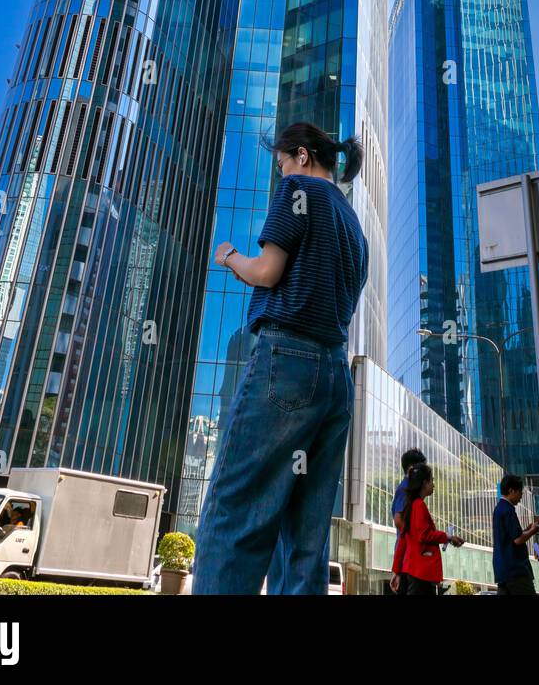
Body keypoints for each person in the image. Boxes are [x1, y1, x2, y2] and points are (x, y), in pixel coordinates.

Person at [192, 123, 369, 596]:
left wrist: (229, 256)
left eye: (283, 162)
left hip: (286, 364)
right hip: (335, 376)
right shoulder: (354, 226)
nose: (281, 173)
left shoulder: (298, 190)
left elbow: (267, 272)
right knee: (306, 535)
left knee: (236, 509)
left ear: (304, 156)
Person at [389, 463, 464, 596]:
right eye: (432, 480)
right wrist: (447, 536)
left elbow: (403, 541)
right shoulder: (419, 506)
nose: (433, 484)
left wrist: (396, 571)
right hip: (420, 572)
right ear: (424, 483)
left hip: (411, 570)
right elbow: (425, 535)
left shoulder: (410, 506)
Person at [493, 474, 539, 595]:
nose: (521, 496)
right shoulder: (508, 510)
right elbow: (518, 540)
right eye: (520, 492)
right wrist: (533, 530)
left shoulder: (498, 509)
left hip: (502, 571)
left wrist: (527, 529)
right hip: (516, 571)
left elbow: (511, 536)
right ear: (511, 491)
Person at [391, 447, 426, 595]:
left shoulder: (410, 490)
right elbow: (398, 520)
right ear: (412, 469)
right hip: (406, 557)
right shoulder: (404, 489)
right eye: (422, 468)